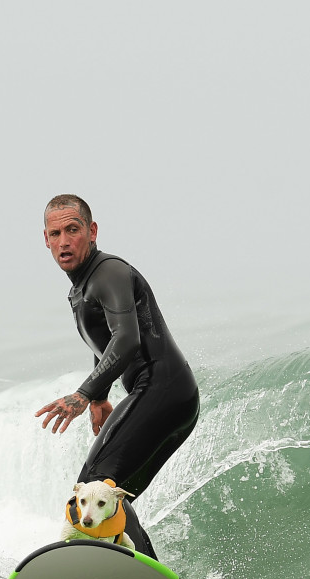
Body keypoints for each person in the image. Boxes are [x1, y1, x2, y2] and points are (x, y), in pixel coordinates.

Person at [35, 194, 199, 559]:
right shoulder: (83, 285)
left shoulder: (108, 273)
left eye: (73, 230)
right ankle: (152, 577)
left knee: (90, 489)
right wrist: (100, 397)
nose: (64, 241)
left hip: (161, 389)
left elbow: (126, 338)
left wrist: (82, 394)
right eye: (56, 233)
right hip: (172, 396)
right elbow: (106, 340)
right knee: (112, 496)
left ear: (92, 231)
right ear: (46, 239)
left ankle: (124, 568)